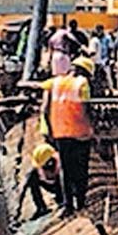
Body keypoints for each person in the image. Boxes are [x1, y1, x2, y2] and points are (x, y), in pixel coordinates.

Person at [41, 56, 95, 216]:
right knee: (81, 169)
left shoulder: (54, 83)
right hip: (81, 133)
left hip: (60, 132)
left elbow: (45, 109)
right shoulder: (82, 83)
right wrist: (93, 128)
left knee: (66, 169)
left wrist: (49, 130)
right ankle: (81, 203)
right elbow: (87, 107)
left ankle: (68, 205)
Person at [17, 143, 64, 220]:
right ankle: (41, 207)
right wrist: (18, 209)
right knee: (32, 180)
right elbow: (24, 188)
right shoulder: (36, 171)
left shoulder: (61, 161)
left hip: (64, 185)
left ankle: (63, 198)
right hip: (51, 186)